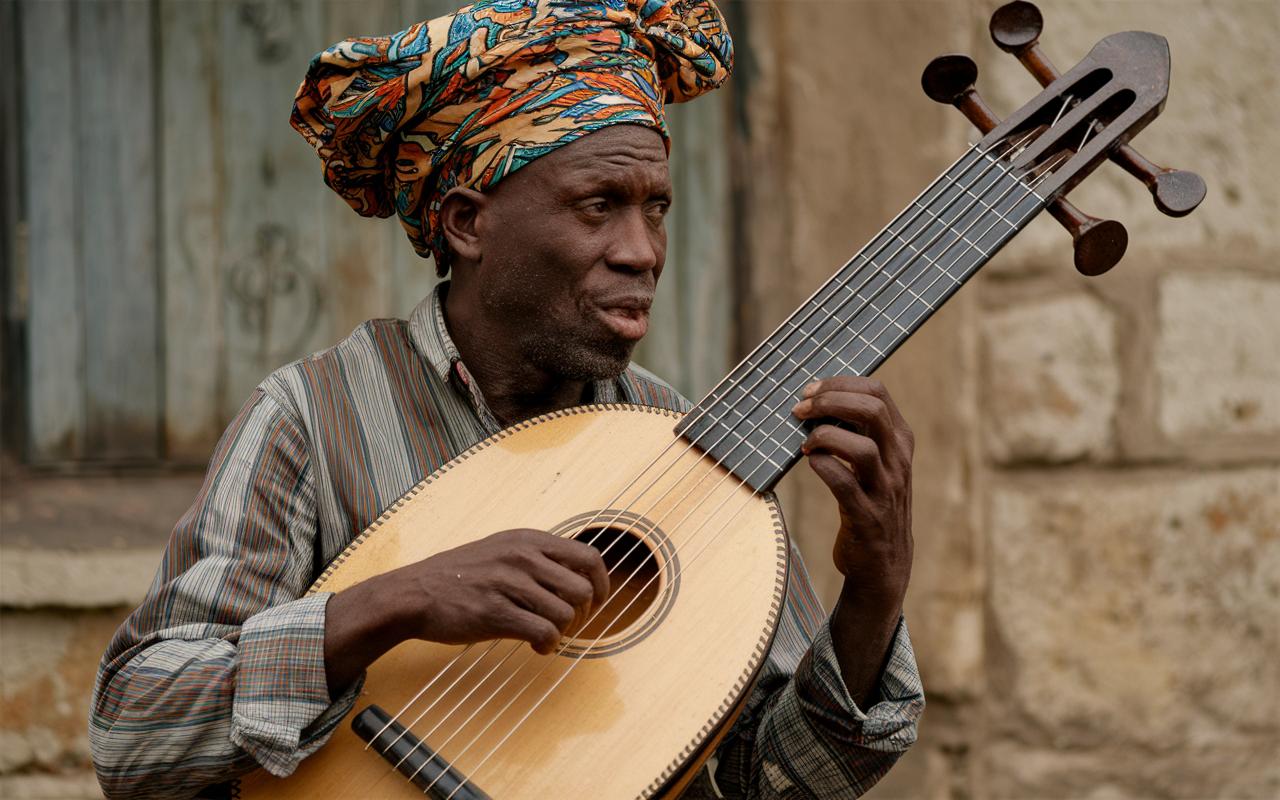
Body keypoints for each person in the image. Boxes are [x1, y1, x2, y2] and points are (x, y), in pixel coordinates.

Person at [89, 1, 924, 797]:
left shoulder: (688, 447)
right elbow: (132, 735)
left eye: (656, 209)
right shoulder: (313, 417)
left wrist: (876, 587)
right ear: (466, 223)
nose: (642, 252)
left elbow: (772, 784)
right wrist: (395, 602)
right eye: (600, 206)